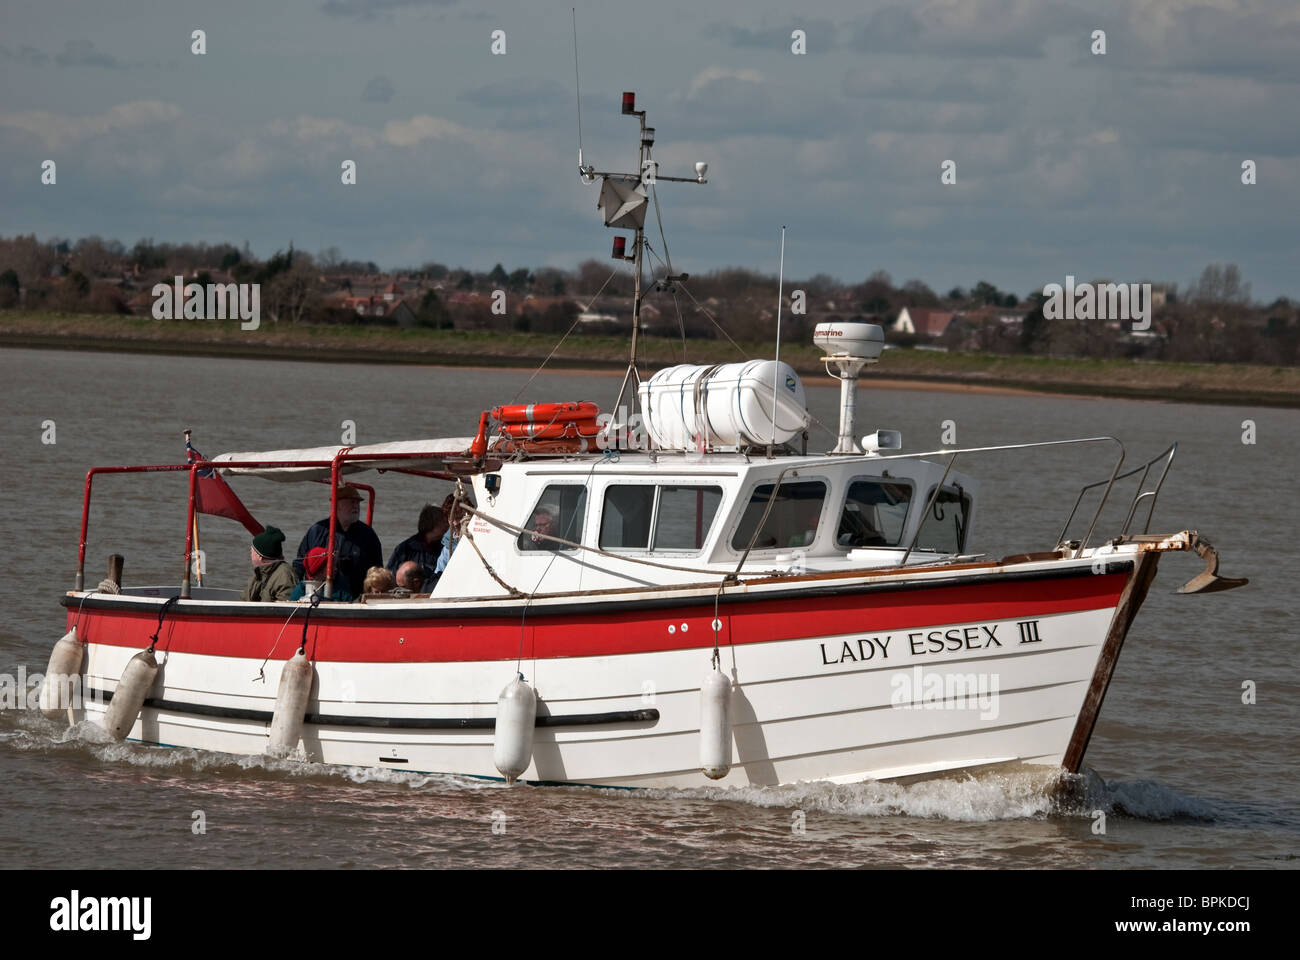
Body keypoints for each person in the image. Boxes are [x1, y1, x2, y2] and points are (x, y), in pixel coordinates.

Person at [293, 484, 382, 599]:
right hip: (318, 595)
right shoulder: (318, 530)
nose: (356, 506)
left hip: (356, 597)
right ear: (337, 505)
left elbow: (377, 569)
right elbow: (300, 564)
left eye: (357, 503)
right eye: (351, 502)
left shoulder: (368, 535)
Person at [386, 502, 447, 587]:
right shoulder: (404, 549)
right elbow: (389, 577)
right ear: (433, 524)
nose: (448, 525)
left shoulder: (446, 549)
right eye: (444, 521)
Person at [240, 526, 297, 602]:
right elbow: (244, 600)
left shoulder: (285, 575)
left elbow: (284, 609)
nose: (250, 554)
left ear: (259, 556)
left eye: (252, 552)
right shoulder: (259, 573)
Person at [290, 546, 354, 602]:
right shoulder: (301, 590)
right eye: (331, 566)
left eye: (335, 565)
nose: (335, 569)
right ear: (318, 570)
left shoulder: (341, 586)